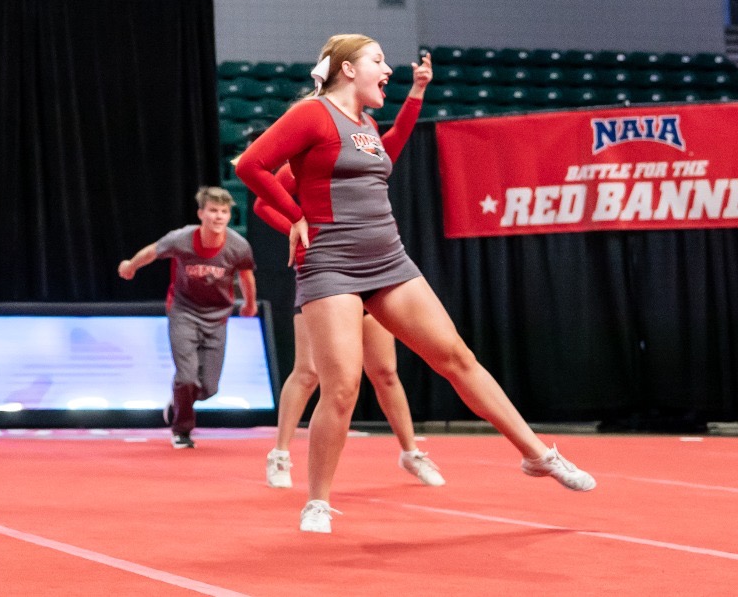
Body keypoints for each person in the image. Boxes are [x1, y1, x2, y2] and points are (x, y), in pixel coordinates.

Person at [235, 38, 594, 534]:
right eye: (378, 61)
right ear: (346, 68)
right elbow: (248, 166)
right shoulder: (313, 115)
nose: (387, 69)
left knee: (457, 358)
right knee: (341, 387)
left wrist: (417, 94)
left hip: (388, 260)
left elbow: (392, 148)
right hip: (331, 264)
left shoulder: (367, 126)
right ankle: (317, 500)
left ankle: (538, 454)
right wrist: (295, 216)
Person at [249, 158, 445, 490]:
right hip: (325, 275)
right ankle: (280, 454)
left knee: (385, 372)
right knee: (308, 372)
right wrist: (299, 227)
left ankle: (410, 453)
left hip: (371, 270)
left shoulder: (362, 152)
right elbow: (262, 204)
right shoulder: (298, 166)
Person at [117, 187, 257, 449]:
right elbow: (153, 251)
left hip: (217, 317)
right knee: (187, 378)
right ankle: (182, 430)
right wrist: (131, 265)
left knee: (208, 388)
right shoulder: (181, 238)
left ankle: (179, 399)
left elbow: (246, 277)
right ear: (201, 214)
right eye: (213, 211)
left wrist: (249, 305)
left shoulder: (238, 245)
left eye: (224, 212)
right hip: (183, 311)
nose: (218, 217)